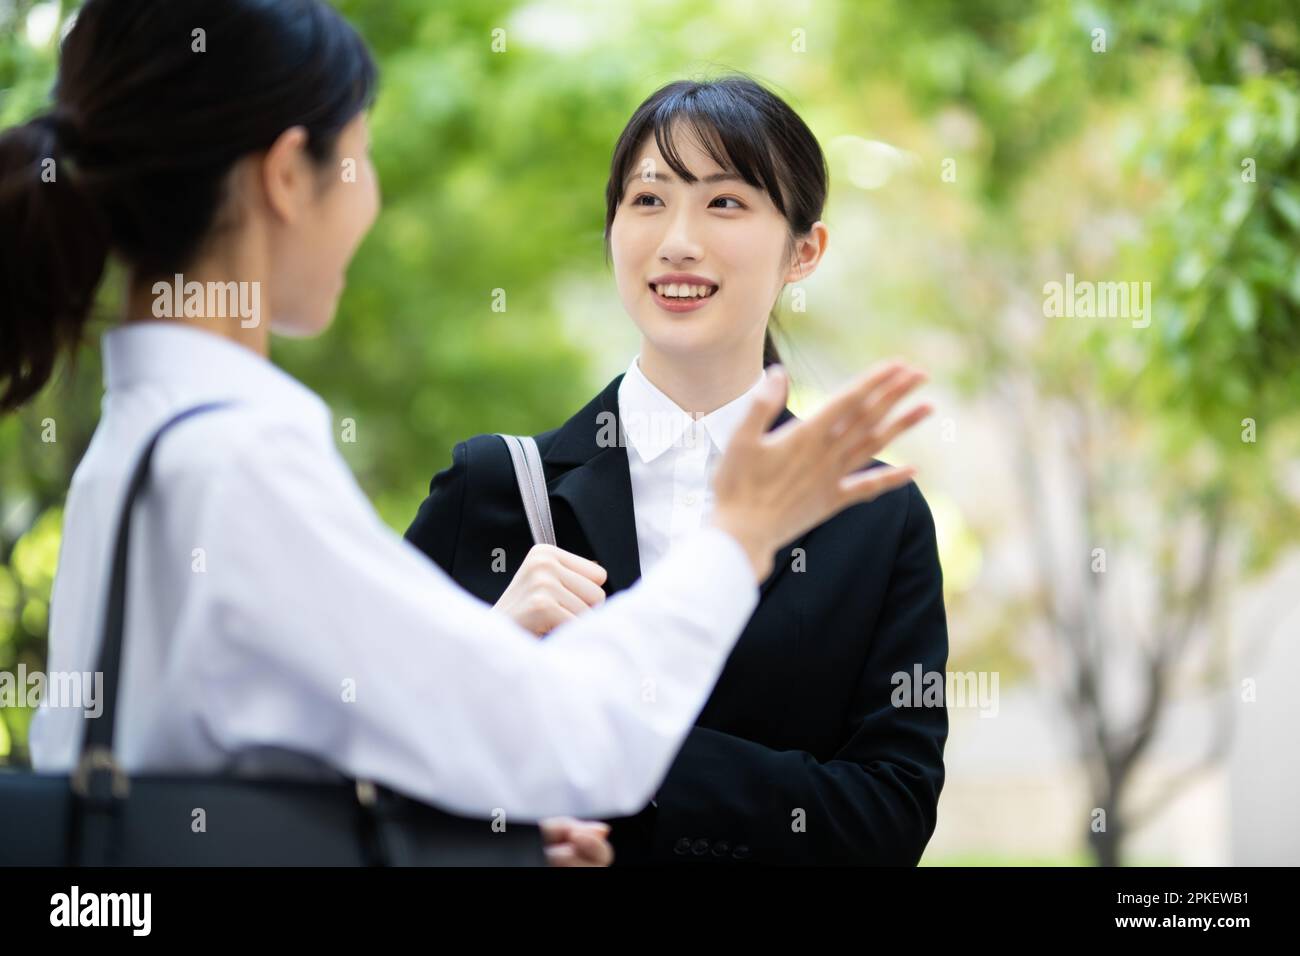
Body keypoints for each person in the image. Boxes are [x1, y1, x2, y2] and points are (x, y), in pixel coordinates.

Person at [0, 3, 931, 866]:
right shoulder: (241, 459)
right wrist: (738, 538)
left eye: (725, 201)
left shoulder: (140, 447)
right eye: (361, 160)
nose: (368, 206)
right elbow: (557, 737)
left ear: (801, 247)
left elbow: (317, 767)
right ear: (289, 176)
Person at [406, 76, 947, 865]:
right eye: (648, 201)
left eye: (725, 203)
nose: (678, 241)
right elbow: (371, 756)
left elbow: (890, 816)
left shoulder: (876, 517)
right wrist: (493, 651)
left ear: (805, 250)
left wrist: (629, 744)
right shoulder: (493, 487)